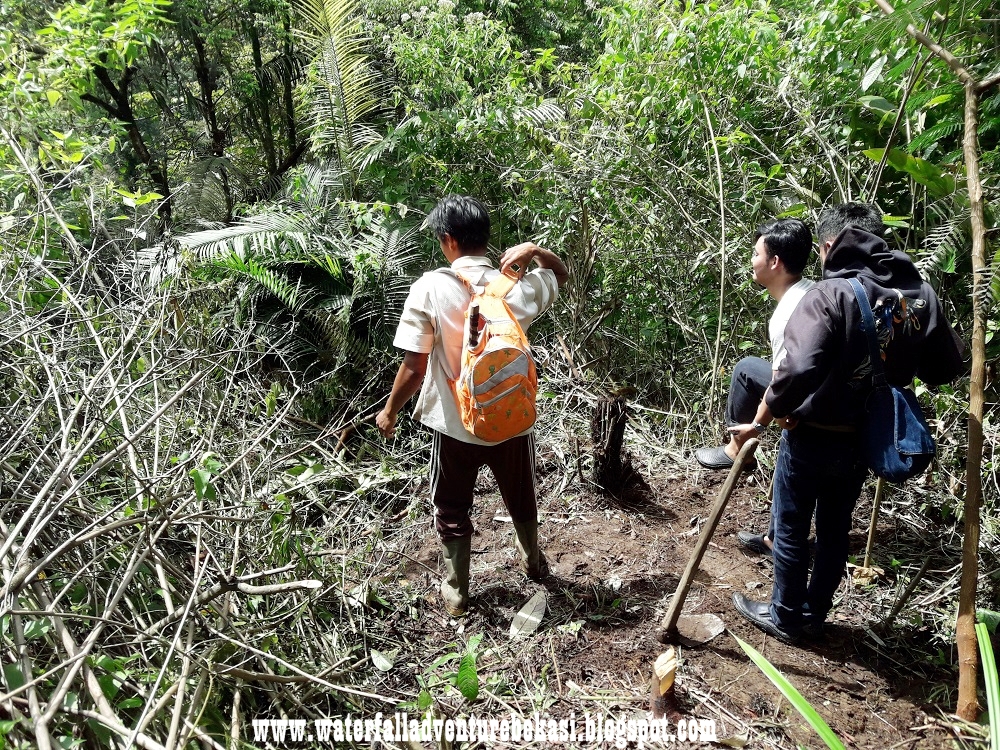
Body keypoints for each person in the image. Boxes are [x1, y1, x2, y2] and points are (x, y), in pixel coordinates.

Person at [732, 203, 964, 644]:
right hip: (866, 440)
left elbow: (798, 370)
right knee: (837, 527)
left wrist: (766, 419)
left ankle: (785, 616)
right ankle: (814, 614)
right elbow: (946, 367)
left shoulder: (828, 294)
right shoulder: (917, 295)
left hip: (812, 434)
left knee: (795, 522)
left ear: (828, 246)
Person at [376, 194, 568, 617]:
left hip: (454, 425)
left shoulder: (430, 286)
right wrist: (536, 253)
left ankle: (457, 593)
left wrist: (390, 410)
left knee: (451, 506)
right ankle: (533, 563)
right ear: (486, 238)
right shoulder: (517, 285)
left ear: (448, 241)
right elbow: (560, 273)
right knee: (521, 495)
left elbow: (414, 363)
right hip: (512, 420)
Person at [695, 218, 814, 556]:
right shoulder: (809, 290)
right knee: (748, 368)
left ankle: (779, 540)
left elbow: (785, 382)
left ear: (774, 262)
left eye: (755, 253)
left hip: (813, 399)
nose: (751, 260)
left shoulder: (789, 313)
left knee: (794, 450)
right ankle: (737, 447)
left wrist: (770, 418)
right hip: (820, 388)